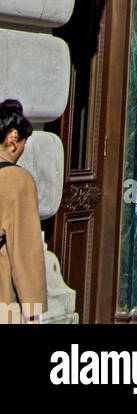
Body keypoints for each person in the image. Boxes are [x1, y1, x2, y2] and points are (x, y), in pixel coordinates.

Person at [0, 99, 46, 324]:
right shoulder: (17, 180)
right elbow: (26, 253)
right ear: (13, 138)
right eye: (24, 142)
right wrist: (33, 315)